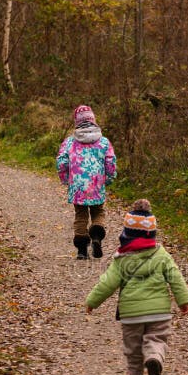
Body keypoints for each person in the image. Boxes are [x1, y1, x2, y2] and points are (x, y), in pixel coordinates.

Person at [85, 199, 188, 375]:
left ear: (126, 234)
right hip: (160, 311)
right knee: (157, 339)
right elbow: (176, 278)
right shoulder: (162, 255)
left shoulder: (121, 259)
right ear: (152, 234)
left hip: (131, 314)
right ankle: (154, 358)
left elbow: (107, 283)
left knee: (133, 346)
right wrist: (183, 301)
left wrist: (92, 302)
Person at [56, 105, 116, 259]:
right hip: (97, 185)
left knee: (81, 215)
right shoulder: (103, 142)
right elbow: (110, 162)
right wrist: (108, 179)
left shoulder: (69, 142)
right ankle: (96, 237)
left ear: (76, 122)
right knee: (98, 211)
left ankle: (82, 251)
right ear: (93, 120)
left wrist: (65, 179)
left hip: (77, 186)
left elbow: (61, 162)